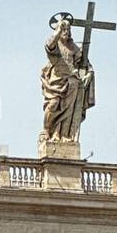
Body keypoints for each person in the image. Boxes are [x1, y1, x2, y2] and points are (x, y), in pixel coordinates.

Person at [40, 15, 94, 143]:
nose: (66, 32)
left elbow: (86, 64)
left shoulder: (73, 47)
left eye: (68, 30)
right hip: (56, 82)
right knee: (53, 105)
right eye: (63, 29)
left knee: (69, 112)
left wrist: (89, 74)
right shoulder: (55, 44)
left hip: (72, 84)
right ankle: (47, 130)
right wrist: (57, 32)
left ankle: (64, 135)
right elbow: (49, 46)